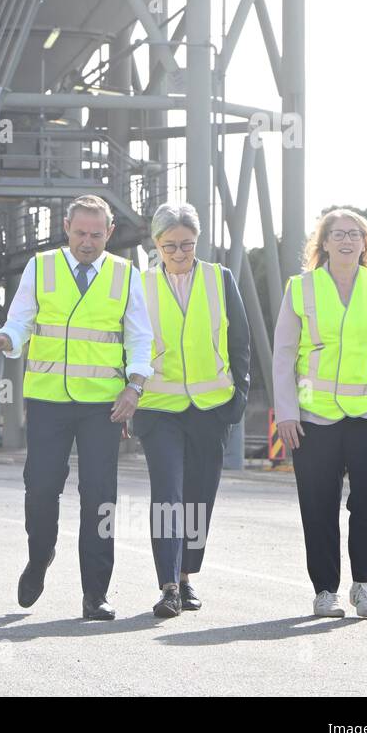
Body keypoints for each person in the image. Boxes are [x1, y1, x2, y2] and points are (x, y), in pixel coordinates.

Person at [0, 195, 152, 620]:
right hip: (48, 398)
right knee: (41, 489)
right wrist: (3, 340)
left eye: (96, 234)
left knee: (100, 498)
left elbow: (140, 337)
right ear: (66, 228)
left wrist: (135, 387)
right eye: (80, 233)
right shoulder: (42, 266)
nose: (87, 242)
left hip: (104, 405)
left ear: (109, 232)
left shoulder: (126, 276)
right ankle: (40, 555)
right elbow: (21, 322)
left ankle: (96, 593)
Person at [274, 208, 367, 619]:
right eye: (338, 234)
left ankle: (363, 584)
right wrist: (286, 411)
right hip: (314, 417)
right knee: (318, 503)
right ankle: (324, 590)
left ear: (366, 244)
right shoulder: (300, 289)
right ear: (324, 243)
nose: (347, 241)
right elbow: (283, 354)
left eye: (355, 234)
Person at [133, 203, 250, 617]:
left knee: (199, 496)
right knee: (168, 495)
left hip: (211, 406)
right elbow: (126, 344)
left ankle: (186, 578)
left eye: (187, 244)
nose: (179, 253)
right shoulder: (140, 285)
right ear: (156, 244)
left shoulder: (221, 279)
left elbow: (240, 342)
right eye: (170, 246)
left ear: (197, 242)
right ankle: (167, 584)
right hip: (159, 406)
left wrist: (238, 399)